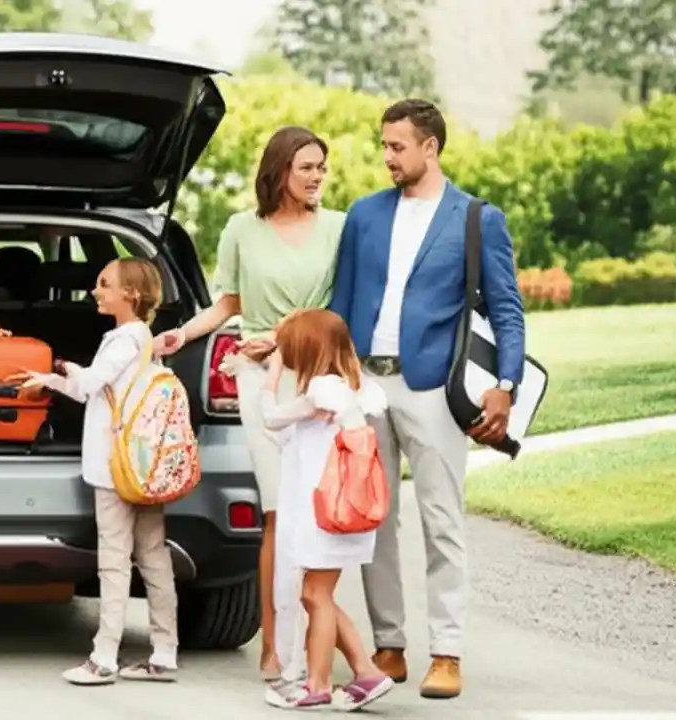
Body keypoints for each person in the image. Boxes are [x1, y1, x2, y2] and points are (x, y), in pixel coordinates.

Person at [327, 99, 526, 699]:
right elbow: (341, 304)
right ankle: (388, 645)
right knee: (374, 519)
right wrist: (335, 379)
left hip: (434, 388)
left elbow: (507, 309)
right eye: (384, 145)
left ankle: (447, 651)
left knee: (441, 519)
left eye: (397, 146)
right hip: (366, 386)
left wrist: (506, 384)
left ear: (430, 147)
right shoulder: (363, 215)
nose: (387, 157)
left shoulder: (476, 219)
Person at [153, 126, 345, 683]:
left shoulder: (339, 228)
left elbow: (339, 307)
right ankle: (272, 643)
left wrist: (280, 337)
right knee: (276, 512)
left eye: (321, 167)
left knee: (315, 513)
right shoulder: (242, 228)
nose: (317, 177)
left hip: (318, 379)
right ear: (279, 170)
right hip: (260, 381)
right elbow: (228, 305)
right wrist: (181, 335)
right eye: (307, 167)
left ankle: (314, 637)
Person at [10, 258, 179, 686]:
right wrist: (49, 379)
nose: (95, 291)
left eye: (105, 284)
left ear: (130, 294)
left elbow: (88, 384)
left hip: (113, 468)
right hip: (142, 466)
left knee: (114, 560)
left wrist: (64, 369)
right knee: (154, 556)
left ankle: (104, 657)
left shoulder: (122, 339)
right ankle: (164, 653)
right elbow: (97, 391)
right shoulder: (143, 339)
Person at [257, 309, 394, 712]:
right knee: (319, 594)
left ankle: (317, 684)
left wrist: (272, 375)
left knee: (315, 595)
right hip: (342, 509)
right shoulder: (352, 387)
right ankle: (366, 672)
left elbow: (271, 418)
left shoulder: (323, 389)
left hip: (325, 512)